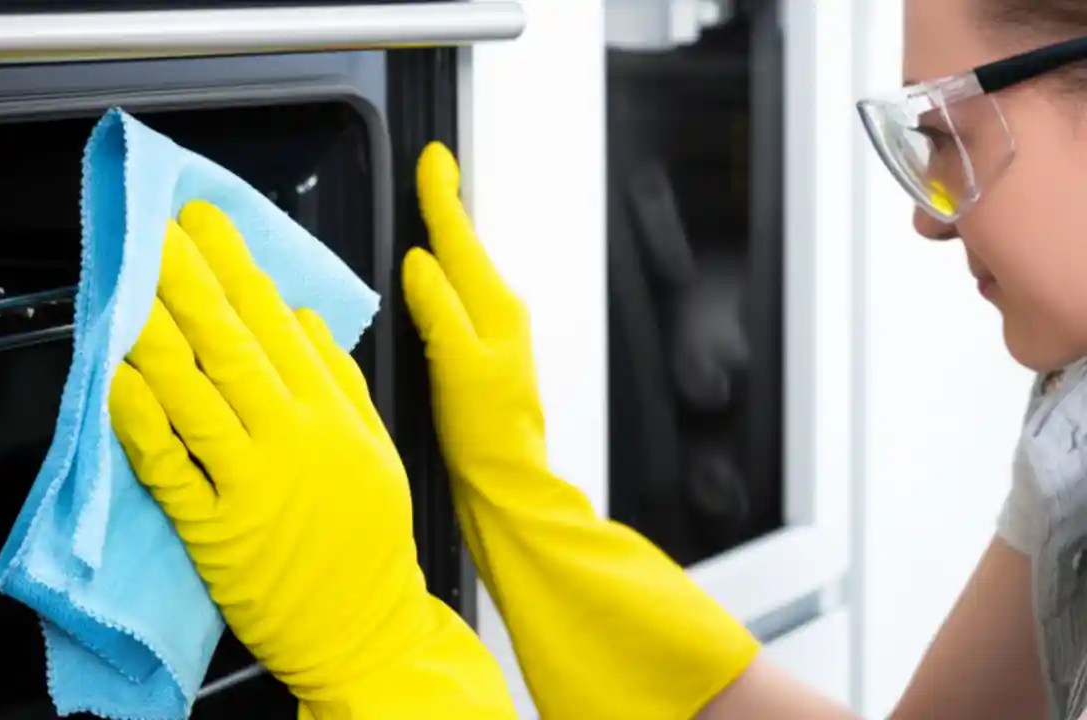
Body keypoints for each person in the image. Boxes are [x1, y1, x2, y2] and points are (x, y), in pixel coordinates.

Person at [106, 0, 1087, 716]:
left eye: (948, 137)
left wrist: (384, 660)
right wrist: (526, 513)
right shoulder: (1070, 426)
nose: (924, 213)